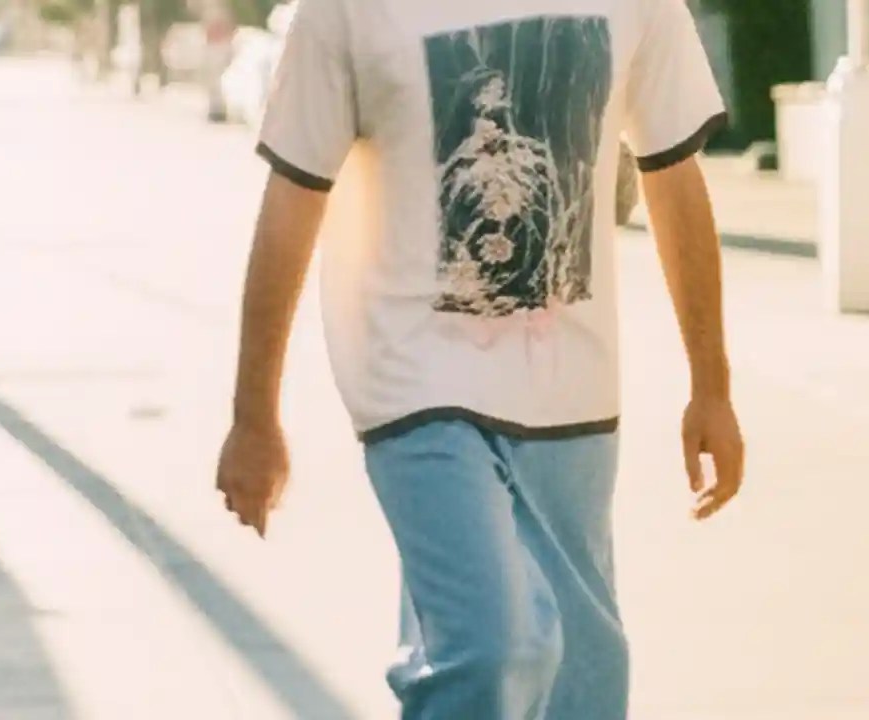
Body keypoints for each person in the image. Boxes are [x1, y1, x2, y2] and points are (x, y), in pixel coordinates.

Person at [215, 0, 745, 717]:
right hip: (414, 386)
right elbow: (292, 202)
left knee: (585, 683)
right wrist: (255, 416)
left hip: (573, 397)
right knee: (491, 647)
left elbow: (672, 174)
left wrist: (711, 385)